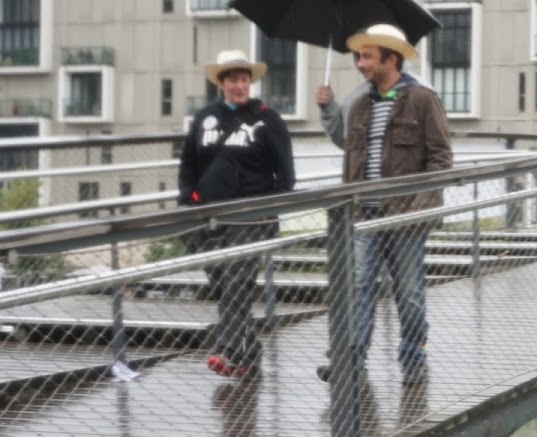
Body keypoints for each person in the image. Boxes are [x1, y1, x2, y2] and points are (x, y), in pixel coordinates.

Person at [316, 24, 453, 386]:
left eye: (367, 57)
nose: (360, 64)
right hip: (364, 213)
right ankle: (351, 360)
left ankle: (412, 352)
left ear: (390, 59)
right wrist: (328, 108)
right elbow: (345, 147)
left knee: (408, 291)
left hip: (405, 214)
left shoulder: (422, 99)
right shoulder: (360, 103)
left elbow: (440, 157)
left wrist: (422, 204)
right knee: (359, 285)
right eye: (360, 56)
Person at [179, 49, 295, 378]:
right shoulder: (204, 118)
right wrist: (188, 200)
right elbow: (187, 164)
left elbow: (286, 175)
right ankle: (250, 346)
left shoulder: (267, 119)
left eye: (244, 79)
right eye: (232, 79)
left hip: (251, 216)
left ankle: (227, 349)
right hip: (208, 216)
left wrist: (269, 211)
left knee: (236, 282)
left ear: (250, 82)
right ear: (222, 83)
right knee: (220, 283)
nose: (239, 85)